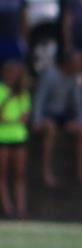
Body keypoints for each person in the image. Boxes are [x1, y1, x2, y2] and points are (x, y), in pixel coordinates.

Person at [33, 52, 82, 186]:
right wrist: (37, 121)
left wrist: (81, 121)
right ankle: (46, 171)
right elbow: (39, 99)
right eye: (77, 63)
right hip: (48, 114)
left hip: (64, 115)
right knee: (50, 130)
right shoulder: (49, 75)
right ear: (68, 63)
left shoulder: (76, 78)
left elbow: (78, 102)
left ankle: (81, 171)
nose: (80, 66)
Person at [0, 59, 27, 218]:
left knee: (19, 174)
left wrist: (10, 120)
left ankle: (21, 208)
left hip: (19, 137)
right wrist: (8, 98)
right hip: (2, 137)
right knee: (2, 174)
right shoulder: (1, 90)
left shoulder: (22, 92)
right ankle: (7, 208)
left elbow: (25, 116)